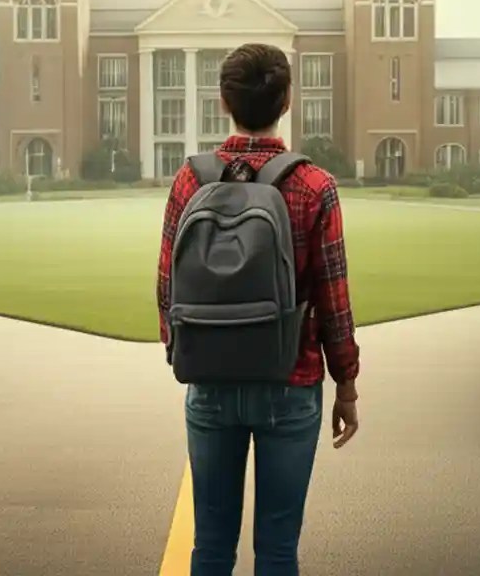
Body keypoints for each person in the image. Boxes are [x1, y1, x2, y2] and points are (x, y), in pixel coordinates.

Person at [156, 43, 361, 575]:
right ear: (287, 101)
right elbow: (334, 302)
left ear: (223, 101)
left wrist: (185, 352)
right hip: (290, 383)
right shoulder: (315, 185)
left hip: (211, 382)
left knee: (210, 547)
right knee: (276, 550)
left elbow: (167, 288)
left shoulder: (191, 180)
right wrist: (346, 385)